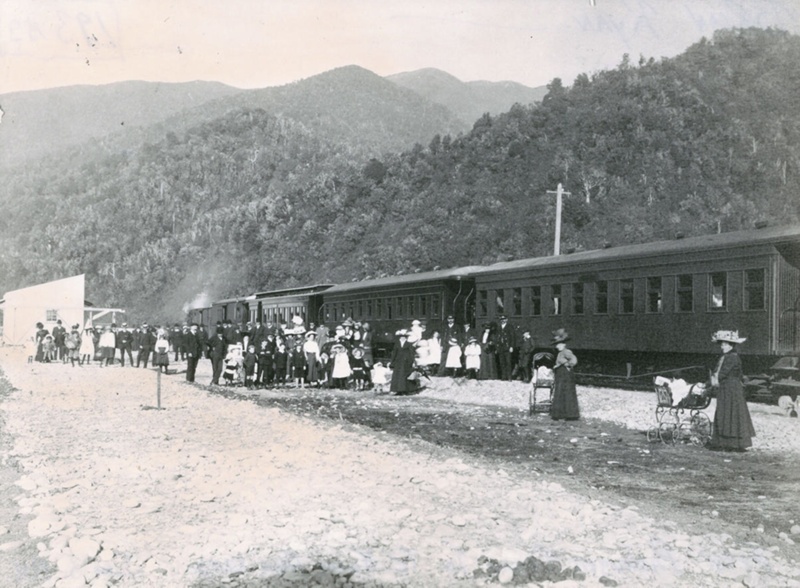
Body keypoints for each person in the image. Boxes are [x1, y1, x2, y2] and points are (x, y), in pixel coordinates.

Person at [709, 330, 755, 452]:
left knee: (730, 414)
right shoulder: (727, 357)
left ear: (731, 345)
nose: (721, 346)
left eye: (724, 344)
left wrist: (707, 384)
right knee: (728, 413)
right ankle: (727, 443)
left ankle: (732, 444)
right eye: (721, 344)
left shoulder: (731, 358)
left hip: (731, 389)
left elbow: (722, 373)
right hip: (728, 388)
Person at [549, 328, 579, 421]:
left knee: (566, 393)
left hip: (565, 375)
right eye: (556, 345)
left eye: (558, 344)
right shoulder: (561, 352)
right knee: (561, 393)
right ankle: (562, 414)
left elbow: (574, 360)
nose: (557, 346)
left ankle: (569, 414)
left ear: (563, 344)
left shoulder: (566, 351)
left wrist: (568, 364)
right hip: (561, 375)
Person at [389, 330, 416, 395]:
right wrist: (392, 362)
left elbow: (411, 354)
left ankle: (404, 390)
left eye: (404, 337)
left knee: (404, 376)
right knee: (397, 376)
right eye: (401, 336)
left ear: (406, 337)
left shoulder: (409, 344)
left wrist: (411, 361)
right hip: (398, 362)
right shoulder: (397, 344)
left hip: (405, 362)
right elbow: (394, 353)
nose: (402, 338)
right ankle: (397, 390)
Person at [495, 315, 517, 381]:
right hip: (501, 347)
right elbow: (497, 338)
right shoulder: (499, 327)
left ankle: (509, 377)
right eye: (501, 319)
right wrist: (497, 347)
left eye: (504, 319)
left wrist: (511, 347)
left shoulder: (510, 327)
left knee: (508, 363)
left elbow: (513, 337)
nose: (502, 320)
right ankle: (503, 377)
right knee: (502, 363)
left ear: (506, 320)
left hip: (507, 347)